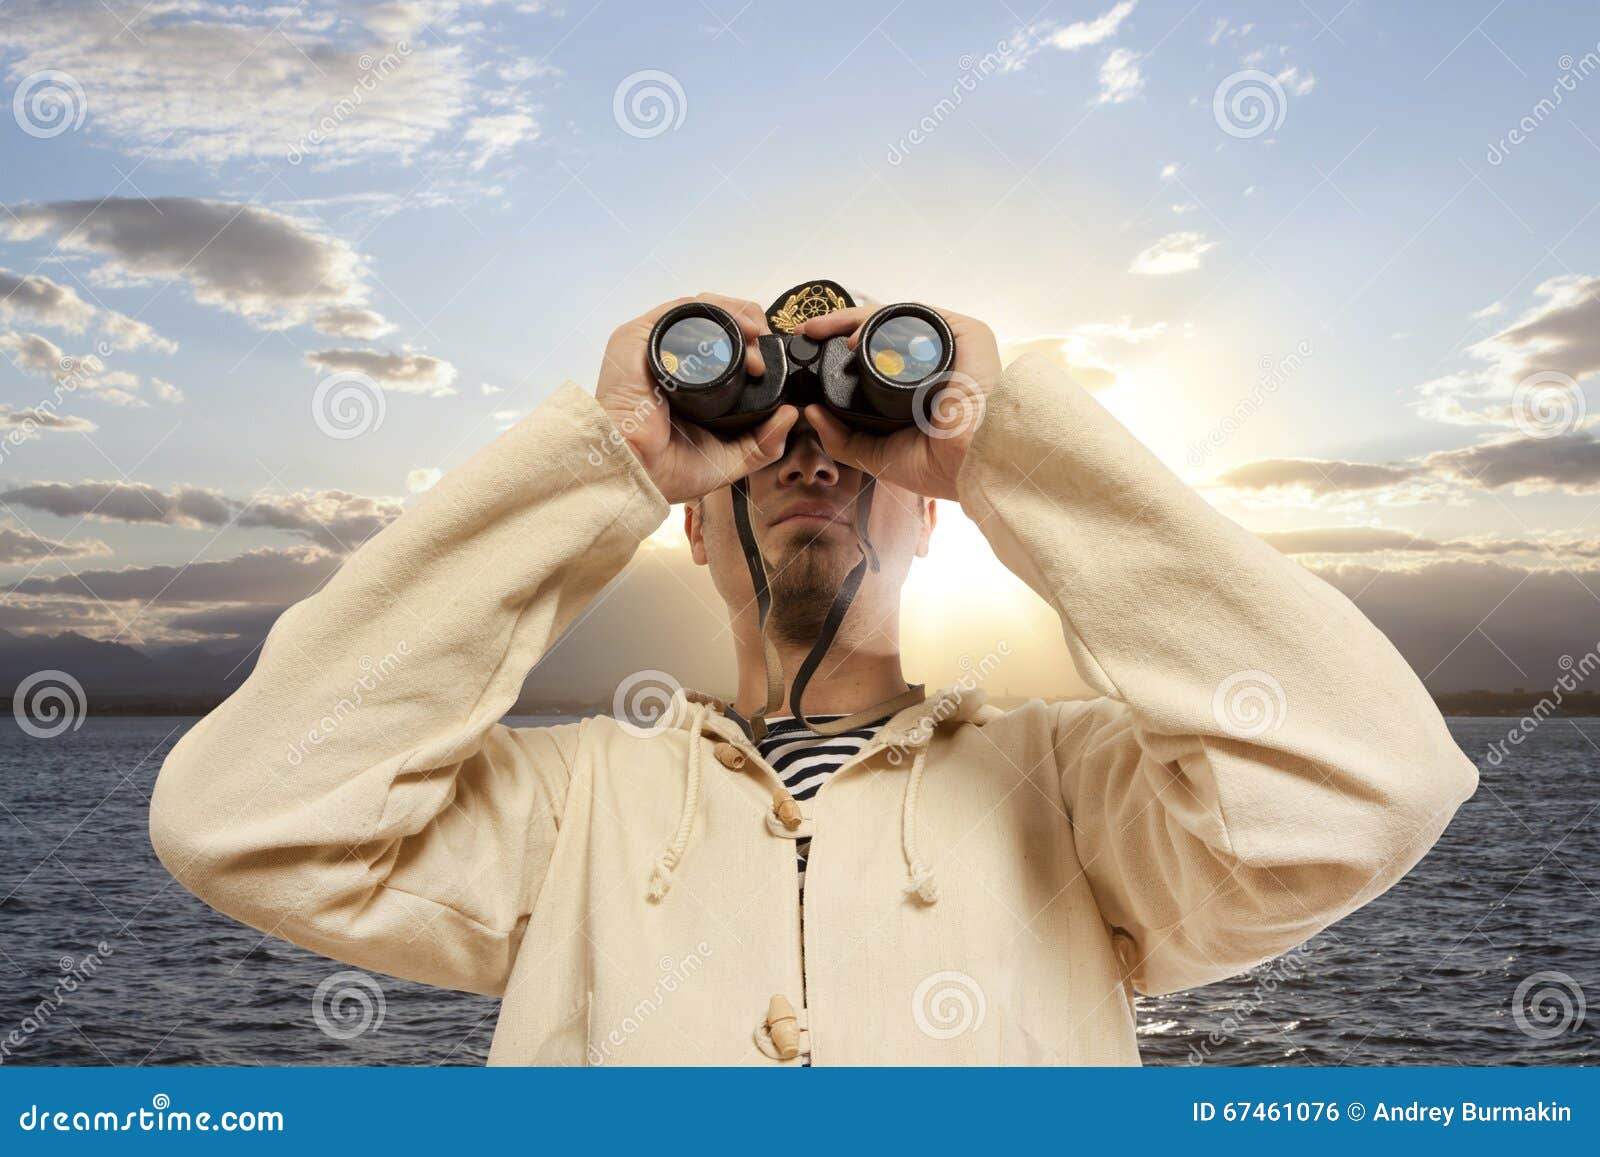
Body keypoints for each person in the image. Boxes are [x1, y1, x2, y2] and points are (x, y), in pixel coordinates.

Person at [149, 290, 1478, 1065]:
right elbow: (244, 817)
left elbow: (1372, 782)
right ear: (688, 520)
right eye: (763, 441)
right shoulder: (573, 809)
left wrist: (1002, 434)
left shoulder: (1079, 795)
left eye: (856, 442)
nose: (808, 460)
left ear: (935, 513)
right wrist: (604, 458)